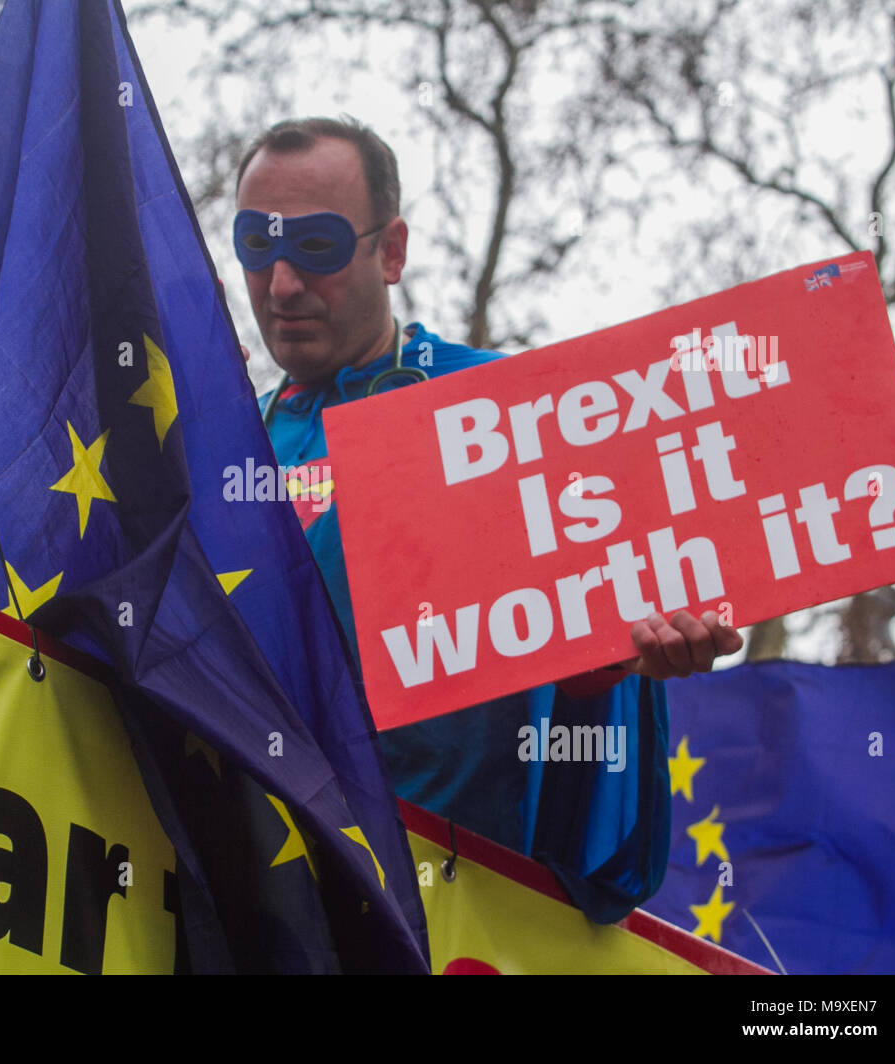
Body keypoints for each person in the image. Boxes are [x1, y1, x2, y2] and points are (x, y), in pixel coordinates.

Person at [232, 116, 743, 923]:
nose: (283, 283)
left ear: (390, 251)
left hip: (441, 915)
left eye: (318, 247)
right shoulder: (217, 446)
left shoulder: (518, 422)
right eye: (256, 246)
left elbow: (587, 710)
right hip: (241, 899)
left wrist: (598, 671)